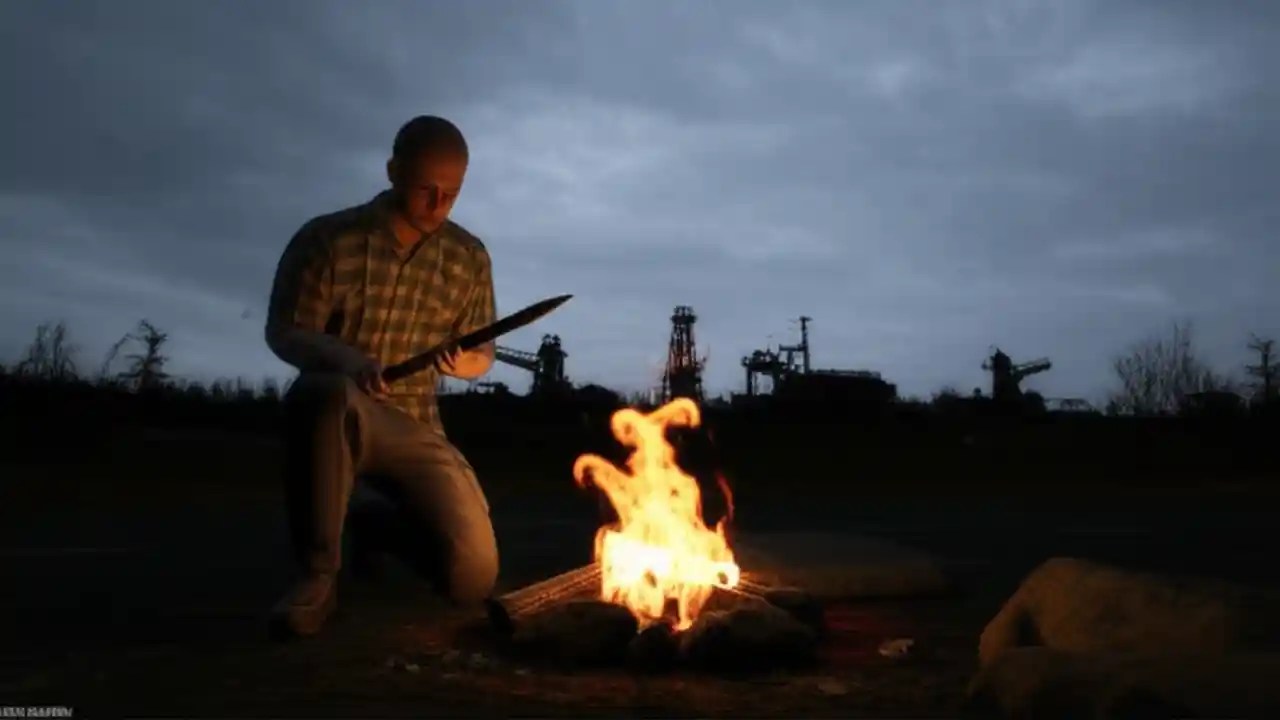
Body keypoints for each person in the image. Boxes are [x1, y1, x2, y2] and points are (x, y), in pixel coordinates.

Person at [264, 115, 499, 638]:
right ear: (393, 171)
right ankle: (318, 577)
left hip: (416, 425)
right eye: (426, 190)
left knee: (474, 576)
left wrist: (461, 360)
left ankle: (377, 525)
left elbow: (484, 353)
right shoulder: (330, 240)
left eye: (452, 194)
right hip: (343, 413)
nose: (438, 206)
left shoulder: (468, 258)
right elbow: (284, 331)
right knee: (321, 394)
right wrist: (346, 361)